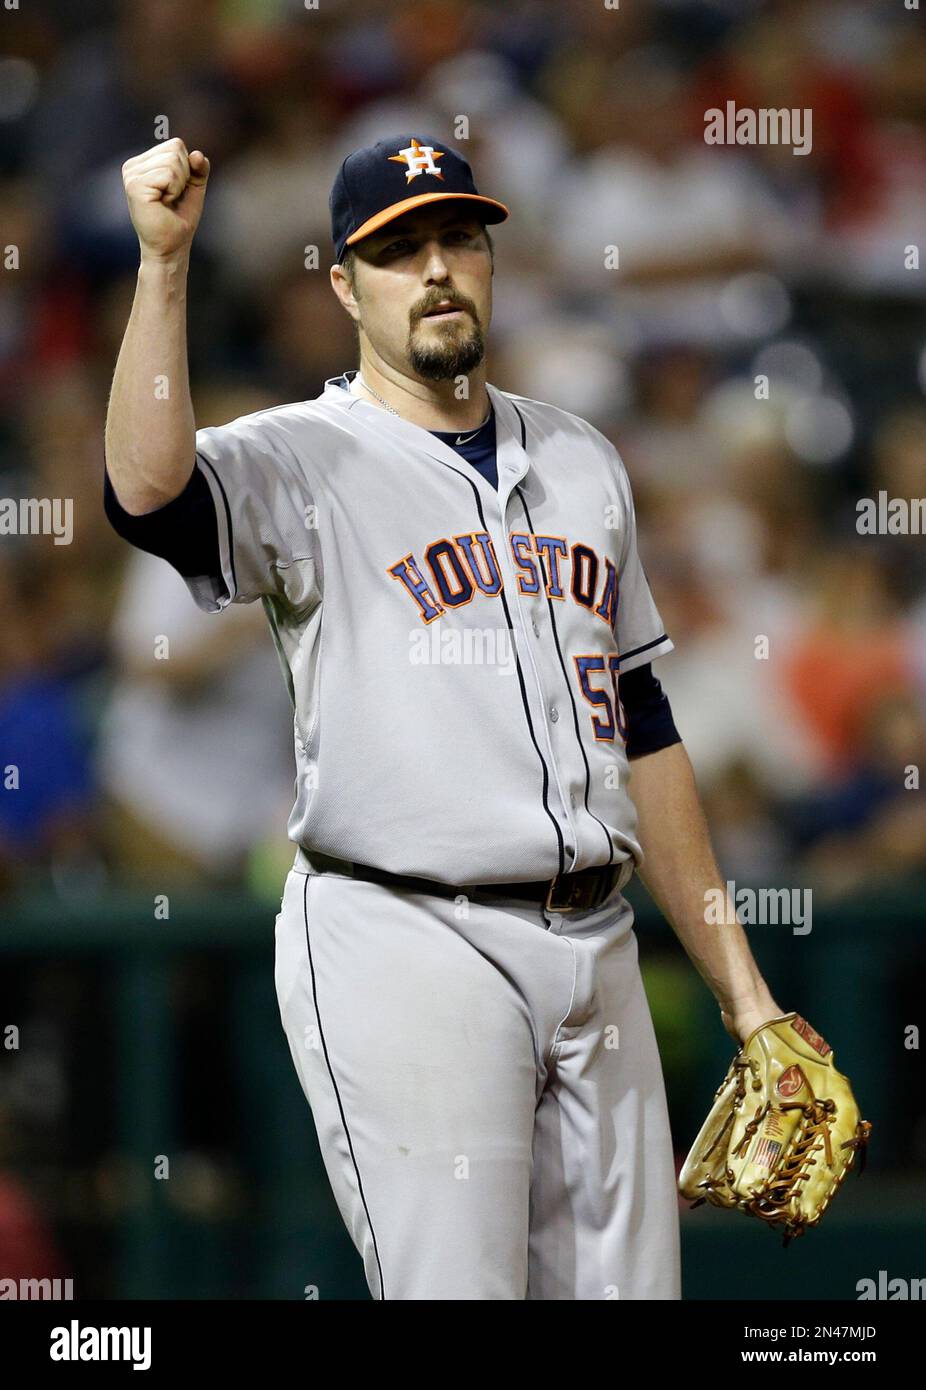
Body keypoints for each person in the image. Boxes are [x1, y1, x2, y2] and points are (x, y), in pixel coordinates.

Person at [103, 132, 784, 1300]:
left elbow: (641, 721)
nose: (432, 268)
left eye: (456, 238)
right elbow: (147, 493)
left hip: (597, 940)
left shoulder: (578, 456)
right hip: (408, 935)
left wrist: (745, 993)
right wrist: (162, 263)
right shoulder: (300, 455)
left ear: (488, 258)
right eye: (396, 249)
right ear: (343, 286)